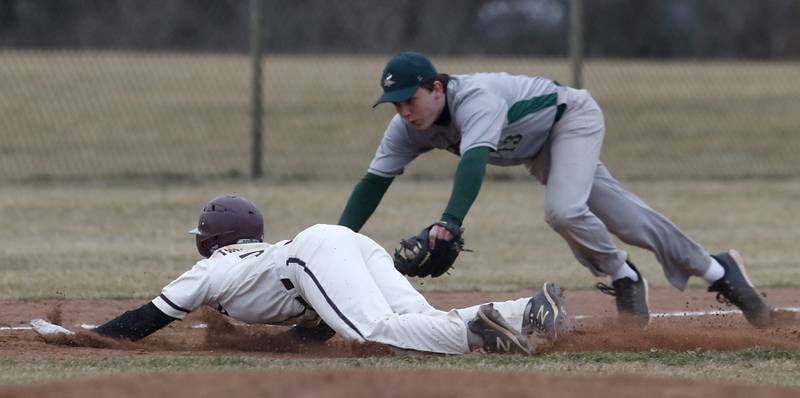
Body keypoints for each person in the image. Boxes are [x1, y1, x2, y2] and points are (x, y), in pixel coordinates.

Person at [337, 51, 773, 328]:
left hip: (569, 118)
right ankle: (718, 271)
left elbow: (473, 162)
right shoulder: (407, 128)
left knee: (563, 210)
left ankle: (624, 274)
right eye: (396, 103)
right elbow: (373, 183)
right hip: (537, 148)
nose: (404, 111)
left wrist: (450, 222)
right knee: (625, 219)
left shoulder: (475, 98)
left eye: (410, 99)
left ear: (436, 88)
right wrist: (337, 241)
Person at [31, 194, 571, 356]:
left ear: (210, 238)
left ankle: (478, 333)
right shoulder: (255, 263)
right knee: (416, 320)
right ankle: (524, 312)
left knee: (375, 332)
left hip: (313, 253)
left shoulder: (211, 269)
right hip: (341, 245)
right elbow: (316, 330)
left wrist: (81, 336)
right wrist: (273, 346)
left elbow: (145, 319)